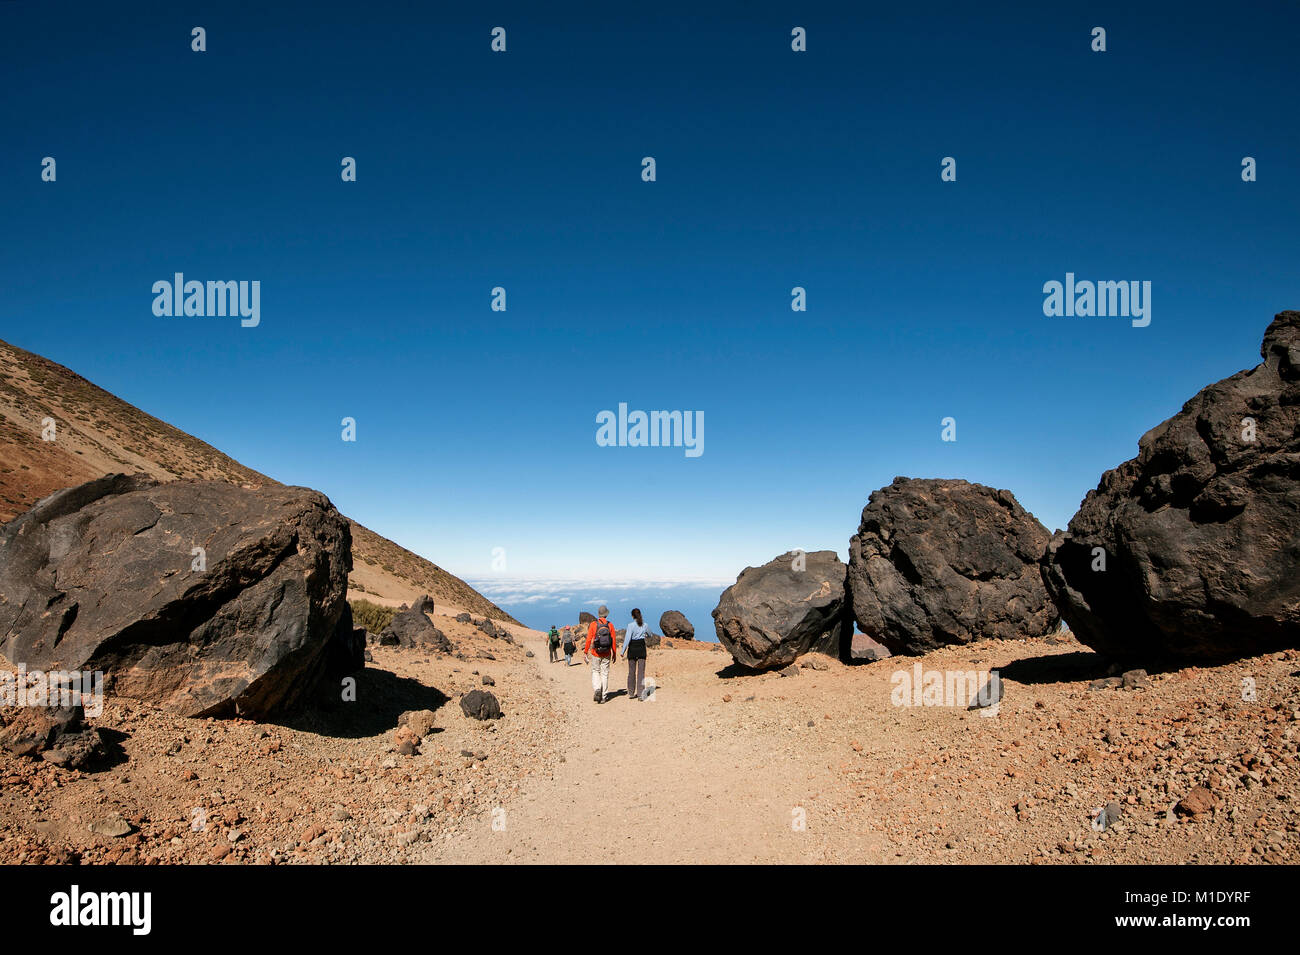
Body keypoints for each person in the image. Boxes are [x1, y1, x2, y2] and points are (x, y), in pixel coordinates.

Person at [584, 605, 617, 703]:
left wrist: (585, 652)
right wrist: (614, 653)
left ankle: (597, 688)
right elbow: (613, 640)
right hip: (607, 653)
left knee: (595, 671)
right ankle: (604, 695)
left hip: (595, 653)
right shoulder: (610, 625)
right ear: (606, 614)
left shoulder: (593, 624)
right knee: (605, 673)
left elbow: (589, 639)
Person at [622, 607, 649, 700]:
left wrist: (623, 651)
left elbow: (627, 639)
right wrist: (645, 635)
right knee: (641, 672)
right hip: (641, 648)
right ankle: (640, 694)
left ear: (632, 616)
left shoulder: (630, 625)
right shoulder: (645, 625)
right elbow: (650, 634)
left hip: (632, 648)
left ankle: (631, 692)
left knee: (631, 671)